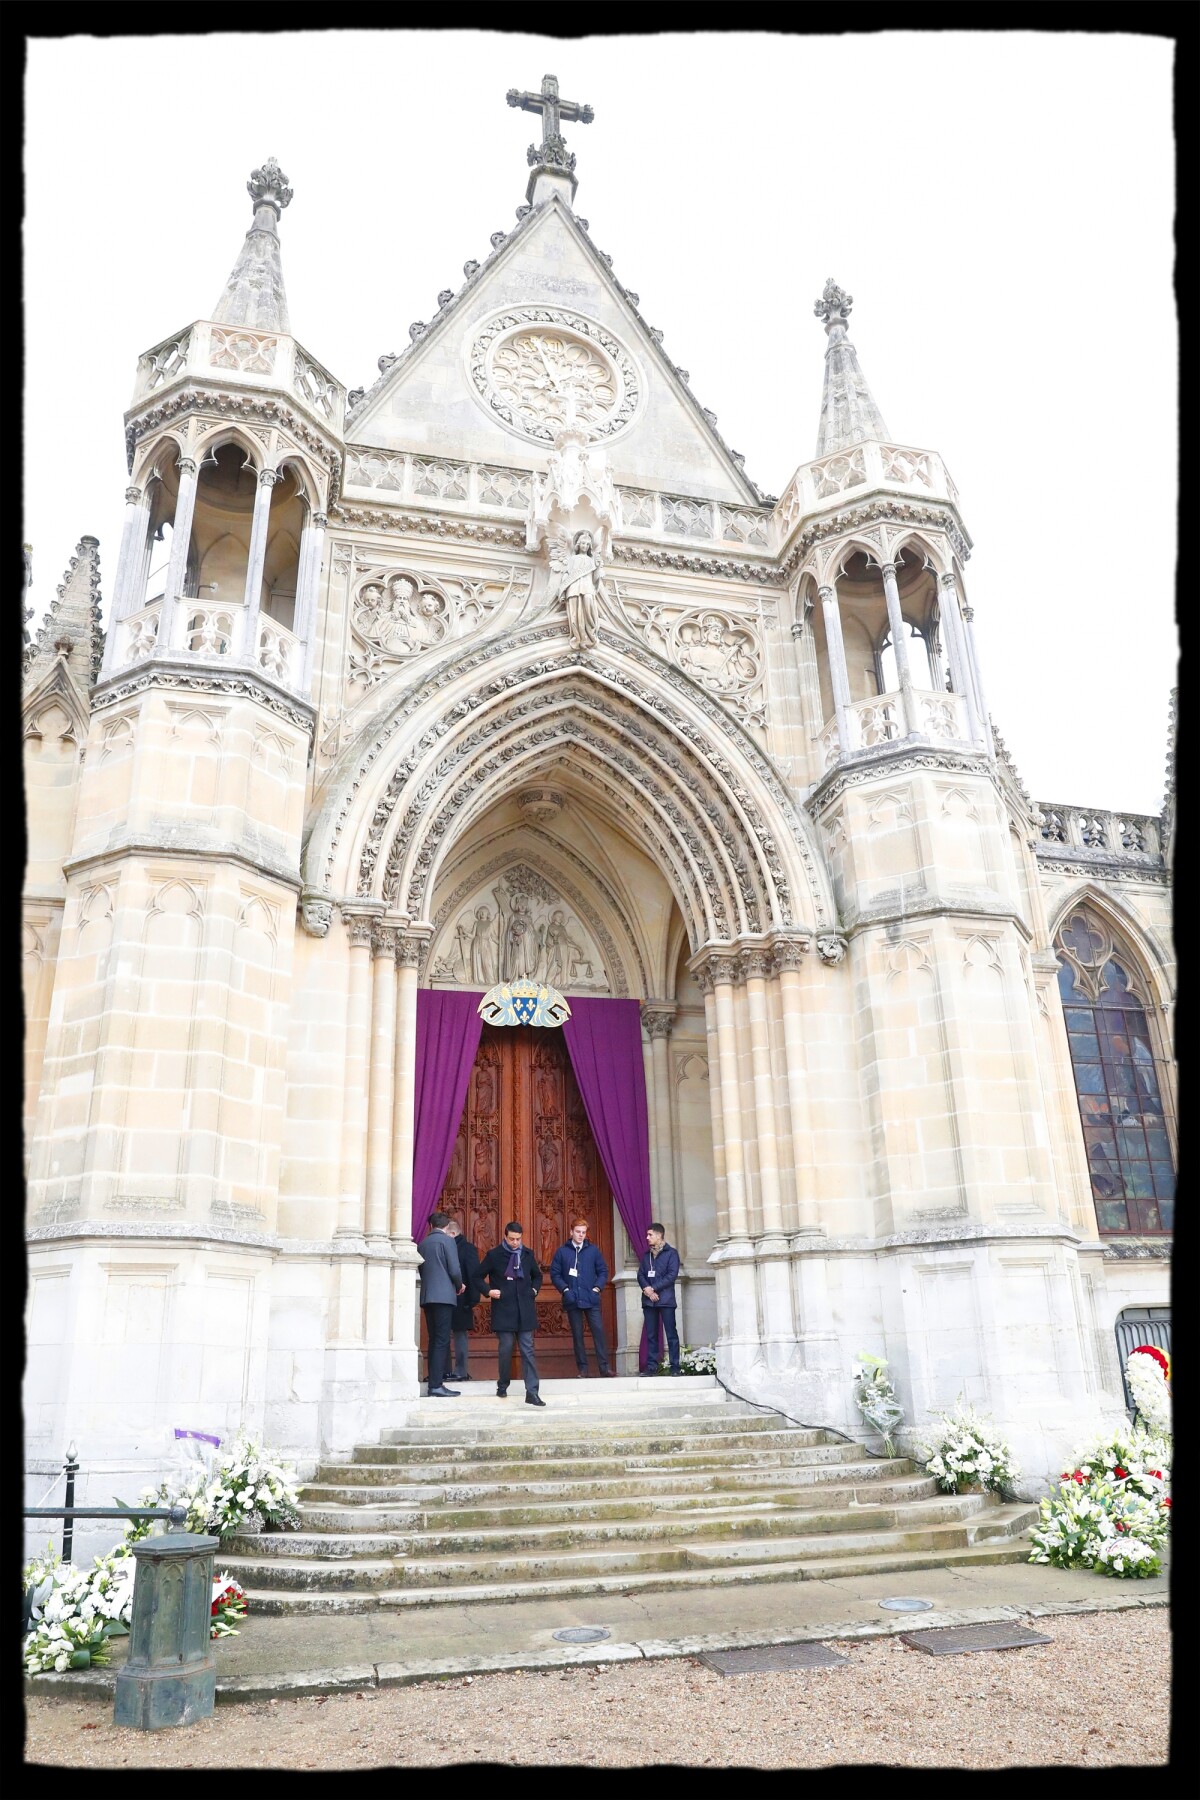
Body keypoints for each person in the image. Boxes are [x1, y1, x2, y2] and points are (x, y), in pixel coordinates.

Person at [478, 1221, 546, 1405]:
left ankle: (532, 1392)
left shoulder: (527, 1254)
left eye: (518, 1239)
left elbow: (537, 1275)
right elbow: (477, 1275)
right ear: (505, 1237)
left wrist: (534, 1290)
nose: (515, 1243)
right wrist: (488, 1291)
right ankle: (503, 1384)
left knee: (528, 1350)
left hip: (525, 1309)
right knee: (506, 1349)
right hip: (504, 1310)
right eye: (511, 1239)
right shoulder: (494, 1255)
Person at [550, 1216, 613, 1377]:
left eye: (583, 1232)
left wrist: (597, 1288)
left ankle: (604, 1368)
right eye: (578, 1232)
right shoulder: (562, 1252)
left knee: (598, 1332)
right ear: (571, 1232)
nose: (580, 1235)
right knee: (577, 1335)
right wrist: (565, 1290)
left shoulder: (593, 1251)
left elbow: (603, 1271)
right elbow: (555, 1274)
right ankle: (583, 1369)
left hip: (591, 1300)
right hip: (572, 1300)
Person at [417, 1211, 464, 1397]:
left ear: (431, 1225)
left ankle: (434, 1382)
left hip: (428, 1296)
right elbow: (454, 1268)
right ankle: (436, 1385)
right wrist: (459, 1285)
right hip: (444, 1297)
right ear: (446, 1226)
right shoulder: (448, 1241)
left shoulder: (422, 1244)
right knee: (442, 1340)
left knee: (433, 1339)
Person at [638, 1221, 681, 1375]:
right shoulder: (646, 1255)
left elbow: (671, 1275)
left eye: (650, 1235)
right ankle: (651, 1367)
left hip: (666, 1300)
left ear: (659, 1235)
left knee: (671, 1334)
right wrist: (647, 1291)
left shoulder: (672, 1253)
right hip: (649, 1301)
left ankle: (675, 1367)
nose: (647, 1238)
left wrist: (653, 1288)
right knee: (651, 1335)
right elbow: (640, 1275)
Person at [449, 1221, 482, 1382]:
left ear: (453, 1234)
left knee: (460, 1336)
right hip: (448, 1298)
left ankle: (461, 1370)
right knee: (443, 1337)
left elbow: (473, 1274)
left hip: (462, 1300)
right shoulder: (447, 1246)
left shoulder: (467, 1248)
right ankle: (446, 1371)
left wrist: (473, 1299)